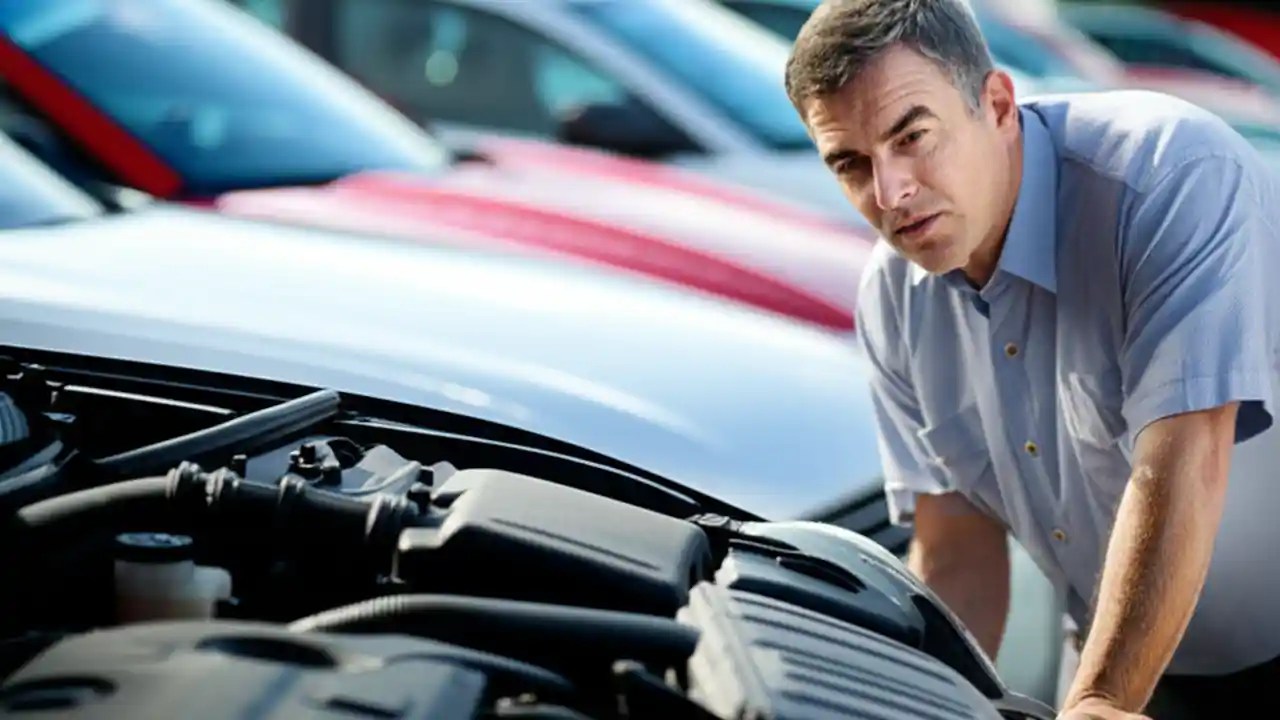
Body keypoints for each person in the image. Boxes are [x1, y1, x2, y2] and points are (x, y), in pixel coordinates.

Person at [783, 1, 1280, 718]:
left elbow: (1186, 457)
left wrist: (1103, 698)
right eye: (852, 164)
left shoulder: (1172, 175)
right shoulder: (893, 298)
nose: (890, 193)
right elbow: (957, 554)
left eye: (912, 136)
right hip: (1131, 661)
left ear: (998, 104)